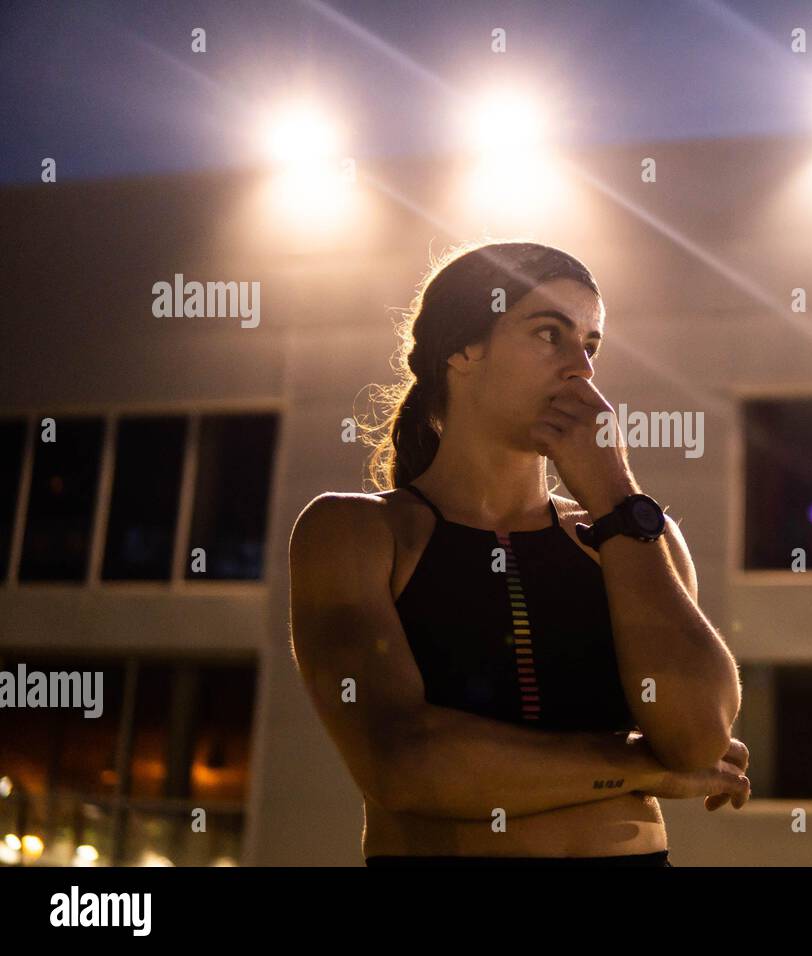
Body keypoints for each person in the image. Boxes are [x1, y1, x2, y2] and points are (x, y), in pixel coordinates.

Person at [289, 239, 750, 866]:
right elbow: (403, 762)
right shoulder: (354, 533)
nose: (581, 369)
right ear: (463, 349)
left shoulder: (639, 535)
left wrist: (617, 497)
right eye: (548, 334)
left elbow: (698, 740)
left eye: (589, 345)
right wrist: (645, 769)